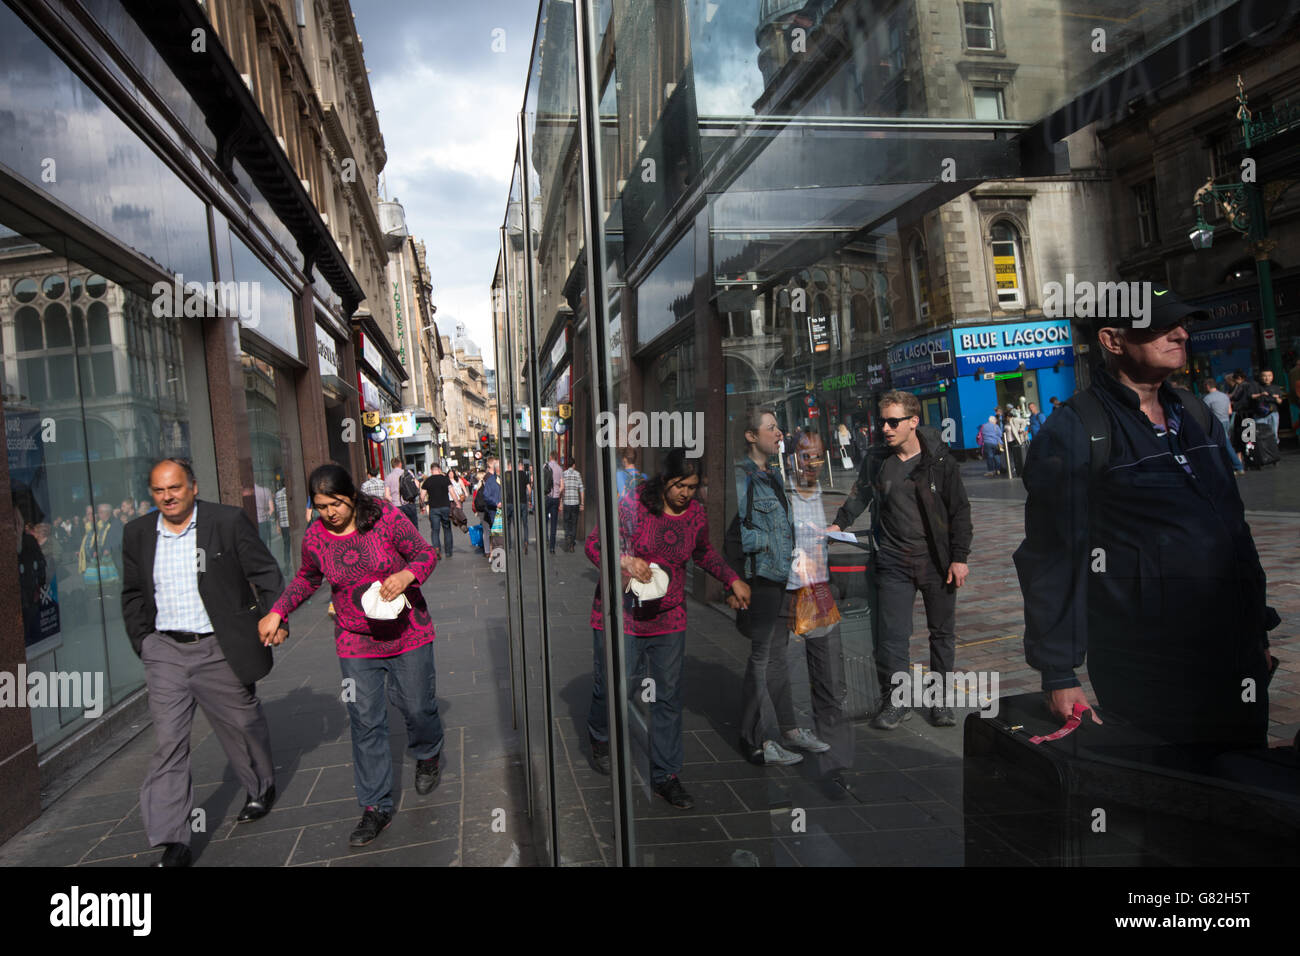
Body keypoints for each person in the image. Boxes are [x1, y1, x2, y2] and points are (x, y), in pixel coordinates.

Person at [1014, 288, 1275, 770]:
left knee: (1246, 783)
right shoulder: (1078, 428)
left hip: (1233, 649)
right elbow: (1051, 554)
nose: (1181, 335)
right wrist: (1057, 672)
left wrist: (1257, 628)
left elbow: (1233, 531)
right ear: (1112, 340)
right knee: (1173, 792)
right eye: (1161, 328)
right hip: (1150, 662)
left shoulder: (1193, 412)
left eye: (1183, 325)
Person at [259, 463, 443, 848]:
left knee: (417, 706)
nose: (330, 513)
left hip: (407, 630)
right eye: (321, 506)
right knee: (365, 720)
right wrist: (279, 610)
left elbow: (425, 553)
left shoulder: (385, 517)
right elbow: (307, 578)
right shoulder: (315, 536)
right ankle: (375, 805)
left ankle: (427, 752)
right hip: (355, 640)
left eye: (337, 504)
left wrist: (406, 576)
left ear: (353, 496)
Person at [120, 458, 287, 867]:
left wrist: (277, 616)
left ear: (193, 487)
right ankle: (173, 840)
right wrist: (145, 642)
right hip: (165, 651)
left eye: (175, 488)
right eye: (159, 490)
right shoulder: (138, 533)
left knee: (242, 725)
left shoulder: (226, 522)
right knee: (168, 744)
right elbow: (133, 593)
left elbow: (266, 572)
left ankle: (260, 786)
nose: (168, 497)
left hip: (218, 647)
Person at [585, 448, 751, 809]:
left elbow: (703, 552)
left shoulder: (696, 515)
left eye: (692, 486)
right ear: (664, 480)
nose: (686, 494)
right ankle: (600, 735)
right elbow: (595, 544)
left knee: (668, 697)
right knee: (612, 687)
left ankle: (665, 776)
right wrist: (625, 560)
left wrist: (731, 578)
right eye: (679, 485)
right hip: (625, 614)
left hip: (669, 617)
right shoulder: (633, 505)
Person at [829, 390, 972, 729]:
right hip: (893, 559)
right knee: (893, 635)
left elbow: (960, 511)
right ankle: (897, 701)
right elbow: (861, 493)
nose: (886, 428)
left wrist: (959, 558)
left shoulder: (940, 461)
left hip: (936, 561)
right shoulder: (878, 459)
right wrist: (839, 523)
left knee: (941, 633)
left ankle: (940, 702)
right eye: (883, 422)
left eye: (893, 422)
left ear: (913, 422)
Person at [725, 406, 825, 769]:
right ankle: (757, 739)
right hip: (760, 579)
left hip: (782, 577)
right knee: (762, 658)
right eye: (771, 428)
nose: (780, 433)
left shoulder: (772, 475)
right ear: (751, 436)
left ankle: (788, 728)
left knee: (779, 658)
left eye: (778, 426)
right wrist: (734, 582)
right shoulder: (742, 478)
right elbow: (733, 536)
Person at [784, 430, 853, 789]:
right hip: (788, 592)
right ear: (792, 457)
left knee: (827, 675)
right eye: (805, 455)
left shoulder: (822, 491)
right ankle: (789, 734)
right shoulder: (783, 492)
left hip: (819, 590)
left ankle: (833, 761)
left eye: (817, 456)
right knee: (785, 669)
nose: (811, 463)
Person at [1202, 378, 1245, 475]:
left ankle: (1238, 466)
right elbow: (1230, 411)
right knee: (1225, 443)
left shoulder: (1207, 398)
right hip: (1226, 421)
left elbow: (1206, 414)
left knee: (1225, 445)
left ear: (1207, 386)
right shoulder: (1224, 396)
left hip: (1217, 423)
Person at [421, 463, 454, 559]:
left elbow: (422, 496)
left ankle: (436, 549)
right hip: (445, 507)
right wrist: (457, 503)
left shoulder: (427, 481)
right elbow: (452, 492)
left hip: (434, 508)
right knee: (447, 529)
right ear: (439, 469)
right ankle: (448, 552)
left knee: (435, 530)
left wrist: (422, 506)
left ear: (431, 470)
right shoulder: (445, 479)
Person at [384, 457, 420, 531]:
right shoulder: (408, 473)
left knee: (400, 530)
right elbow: (417, 485)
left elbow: (387, 496)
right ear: (400, 464)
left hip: (396, 506)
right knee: (414, 529)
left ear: (392, 466)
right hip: (409, 503)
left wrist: (393, 500)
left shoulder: (388, 477)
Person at [543, 451, 565, 554]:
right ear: (556, 458)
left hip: (546, 497)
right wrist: (557, 492)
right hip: (555, 498)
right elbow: (562, 486)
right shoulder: (560, 469)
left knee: (544, 521)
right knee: (554, 524)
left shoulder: (545, 466)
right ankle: (552, 548)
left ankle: (545, 540)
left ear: (550, 457)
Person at [560, 457, 585, 552]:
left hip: (566, 502)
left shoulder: (564, 474)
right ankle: (572, 544)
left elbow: (562, 489)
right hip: (575, 503)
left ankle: (567, 537)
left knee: (566, 522)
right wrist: (582, 503)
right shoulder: (577, 474)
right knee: (574, 523)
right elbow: (581, 489)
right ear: (573, 465)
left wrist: (561, 502)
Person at [1252, 368, 1285, 440]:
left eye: (1269, 376)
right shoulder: (1256, 386)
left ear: (1272, 377)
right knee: (1260, 434)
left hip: (1273, 413)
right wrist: (1261, 394)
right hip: (1260, 414)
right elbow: (1251, 396)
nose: (1267, 378)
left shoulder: (1276, 387)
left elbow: (1280, 402)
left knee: (1274, 433)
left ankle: (1275, 446)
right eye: (1264, 376)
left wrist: (1276, 398)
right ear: (1260, 377)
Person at [274, 480, 293, 569]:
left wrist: (277, 525)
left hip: (283, 523)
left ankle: (287, 563)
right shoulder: (292, 492)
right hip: (293, 522)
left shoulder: (278, 494)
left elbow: (277, 511)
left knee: (286, 544)